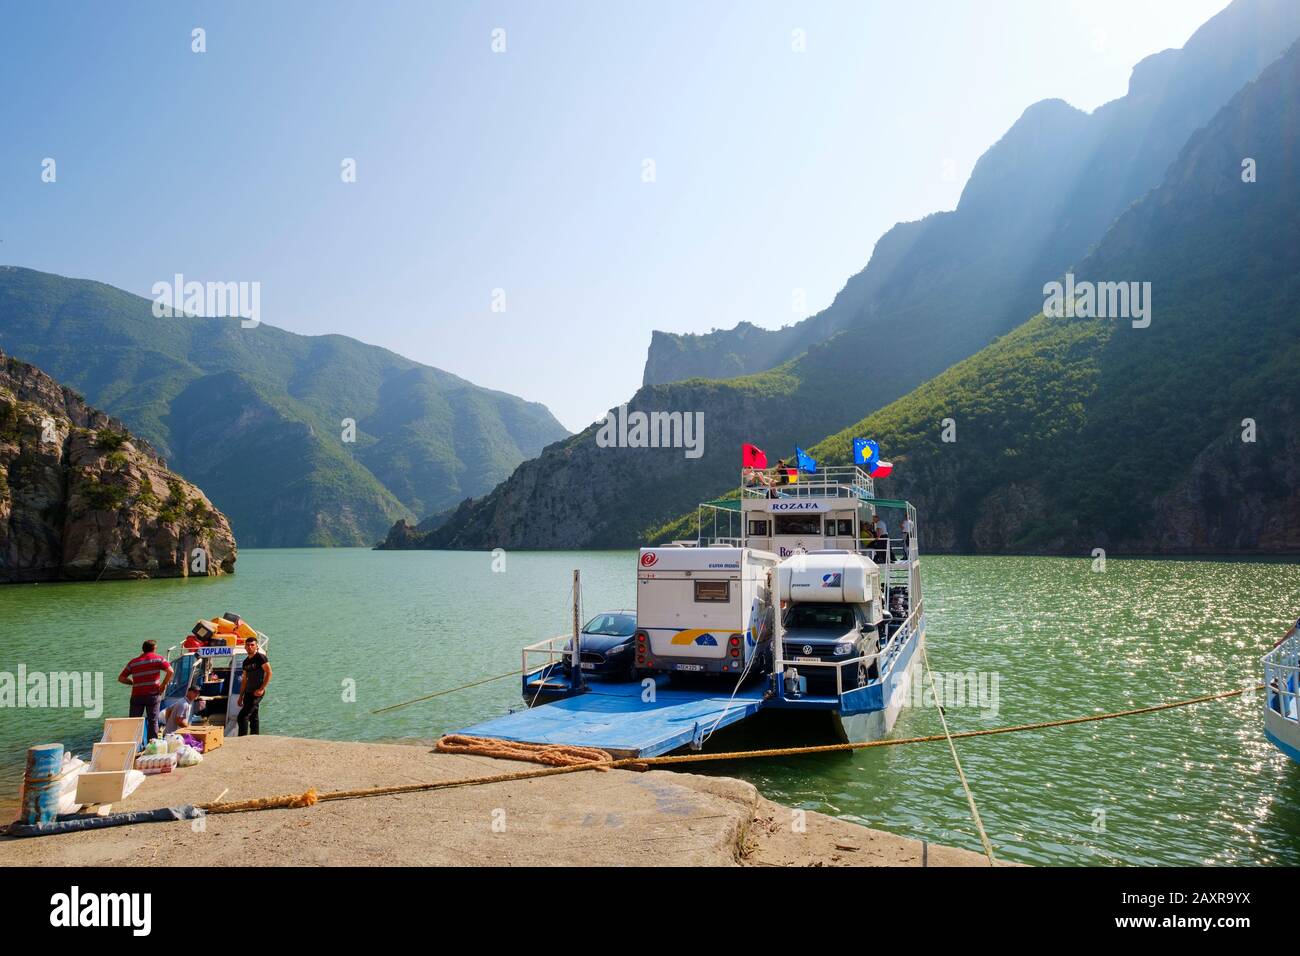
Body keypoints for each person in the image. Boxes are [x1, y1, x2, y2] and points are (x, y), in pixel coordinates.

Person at [117, 640, 174, 741]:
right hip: (153, 695)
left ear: (143, 649)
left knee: (134, 722)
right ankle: (152, 745)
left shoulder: (133, 662)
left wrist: (133, 683)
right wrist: (163, 685)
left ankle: (132, 744)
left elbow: (121, 678)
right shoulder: (158, 659)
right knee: (153, 721)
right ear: (154, 649)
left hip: (137, 696)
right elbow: (170, 671)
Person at [236, 637, 272, 736]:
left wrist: (261, 689)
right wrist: (240, 697)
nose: (250, 647)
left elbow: (269, 672)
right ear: (245, 647)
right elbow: (244, 680)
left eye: (252, 645)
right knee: (253, 716)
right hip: (248, 692)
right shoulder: (245, 662)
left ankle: (241, 739)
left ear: (256, 646)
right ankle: (255, 737)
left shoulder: (260, 658)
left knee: (242, 716)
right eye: (248, 645)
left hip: (257, 692)